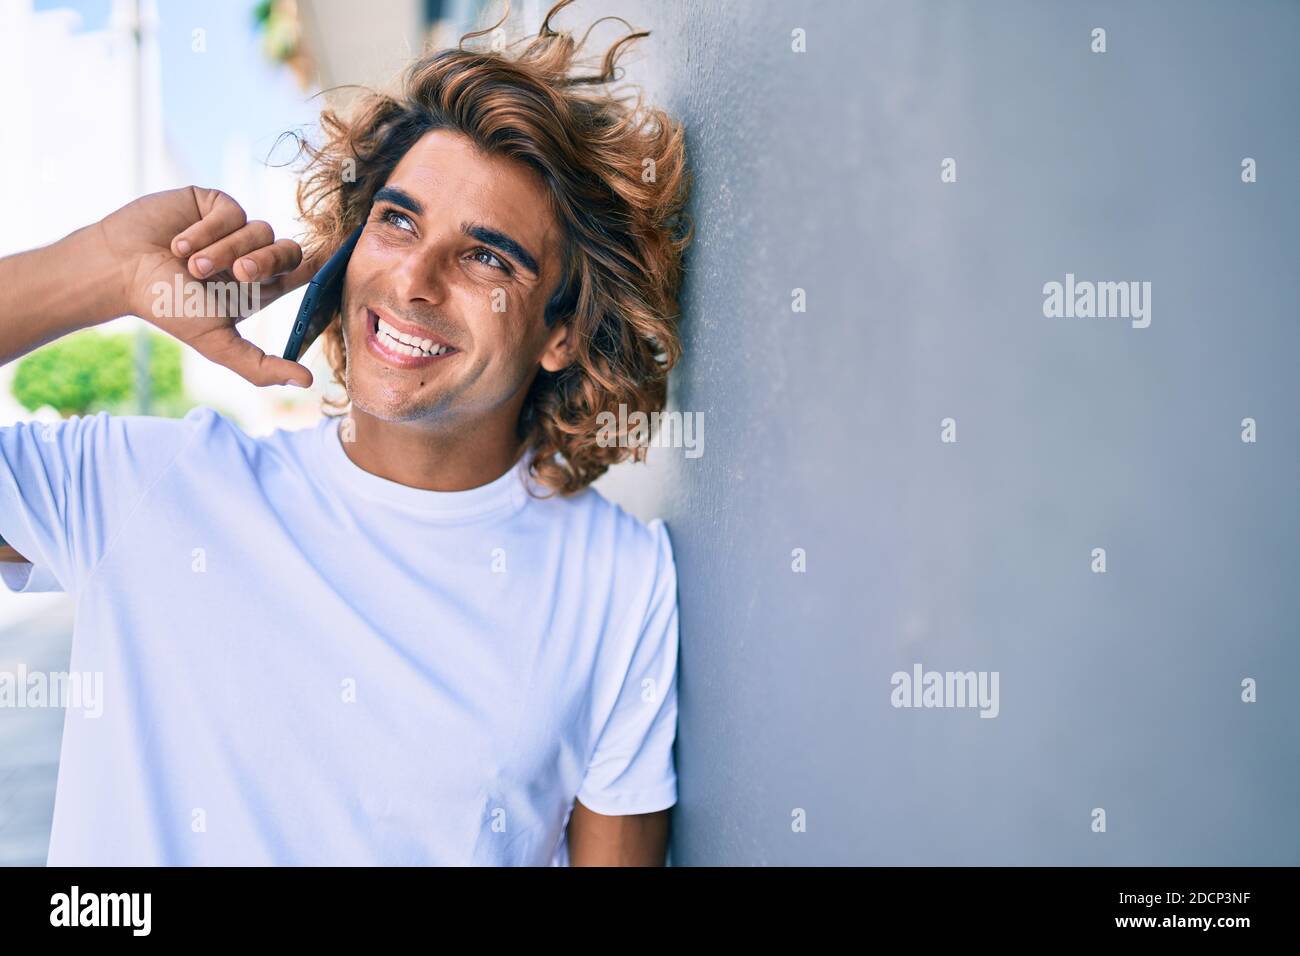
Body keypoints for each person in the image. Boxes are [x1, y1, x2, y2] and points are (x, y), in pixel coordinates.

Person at [0, 0, 691, 866]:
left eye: (487, 257)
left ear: (561, 331)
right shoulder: (150, 486)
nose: (414, 280)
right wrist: (96, 270)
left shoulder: (620, 582)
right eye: (397, 221)